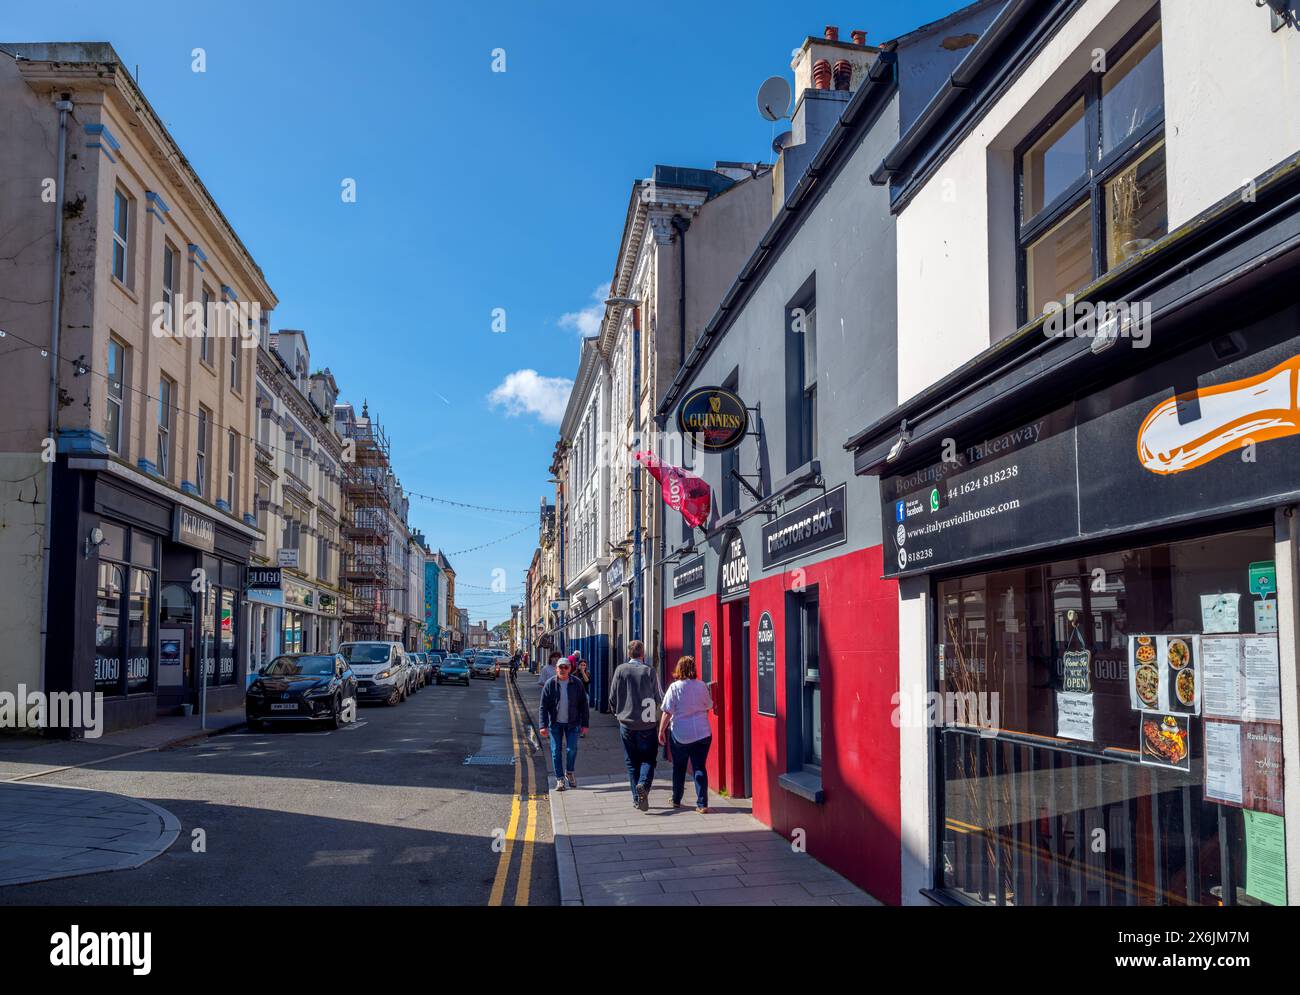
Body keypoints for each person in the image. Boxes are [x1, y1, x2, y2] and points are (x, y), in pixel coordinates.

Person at [608, 639, 662, 812]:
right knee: (648, 759)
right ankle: (643, 785)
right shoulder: (649, 671)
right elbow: (659, 696)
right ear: (642, 654)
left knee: (632, 762)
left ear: (628, 654)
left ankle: (636, 798)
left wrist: (617, 713)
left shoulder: (621, 670)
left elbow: (612, 697)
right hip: (647, 724)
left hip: (627, 723)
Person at [658, 655, 713, 813]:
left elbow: (667, 712)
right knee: (699, 767)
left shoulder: (675, 688)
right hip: (703, 733)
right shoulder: (702, 685)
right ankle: (702, 804)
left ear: (679, 669)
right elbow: (709, 704)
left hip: (681, 734)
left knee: (679, 767)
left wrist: (661, 730)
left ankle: (676, 799)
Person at [539, 656, 589, 790]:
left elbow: (584, 705)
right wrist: (542, 725)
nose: (563, 669)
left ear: (570, 669)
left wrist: (585, 724)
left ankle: (570, 772)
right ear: (556, 669)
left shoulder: (577, 683)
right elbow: (543, 706)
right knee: (556, 751)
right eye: (560, 667)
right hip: (555, 723)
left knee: (571, 749)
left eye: (565, 667)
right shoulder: (550, 684)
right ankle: (560, 779)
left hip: (573, 723)